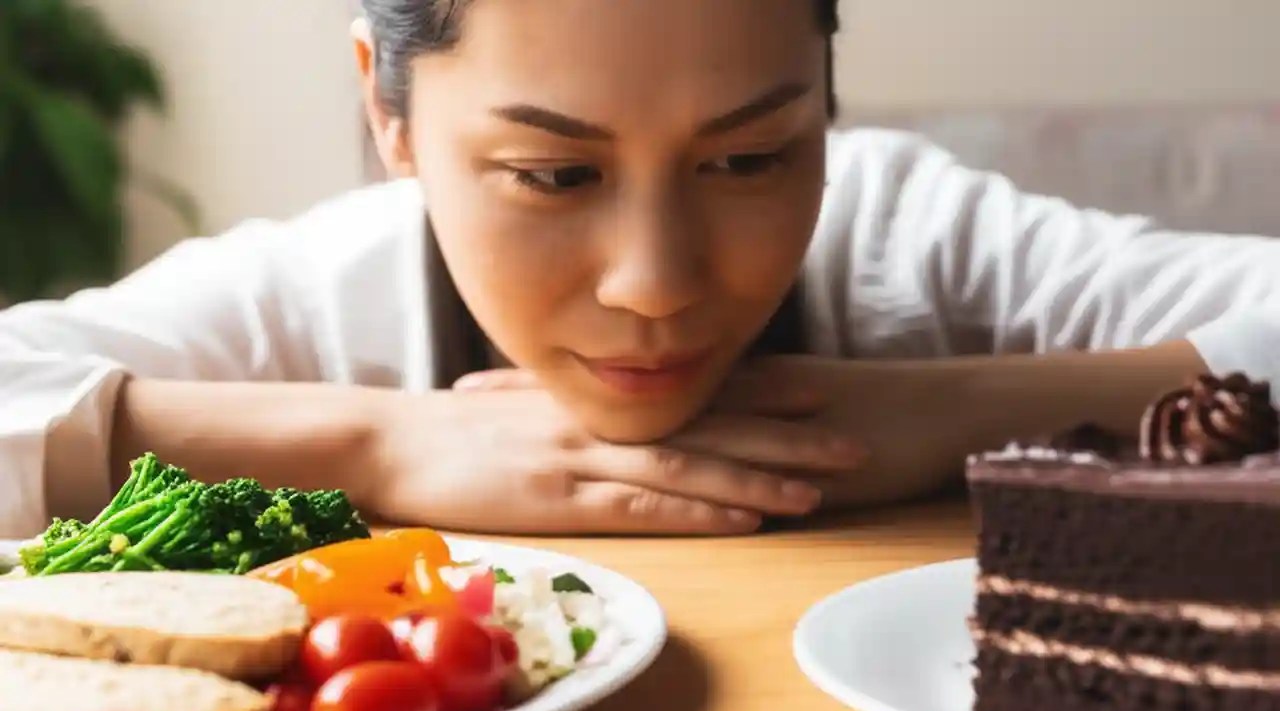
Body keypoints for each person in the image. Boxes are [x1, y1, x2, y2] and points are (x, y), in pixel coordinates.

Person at [2, 0, 1278, 540]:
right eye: (555, 176)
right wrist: (378, 447)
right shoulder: (310, 302)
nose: (656, 283)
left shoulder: (908, 239)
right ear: (385, 116)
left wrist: (931, 412)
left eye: (749, 160)